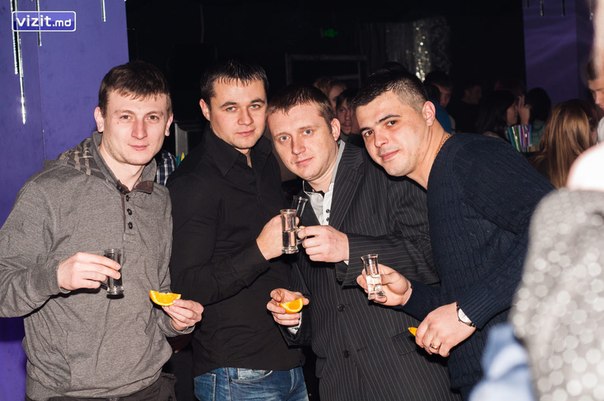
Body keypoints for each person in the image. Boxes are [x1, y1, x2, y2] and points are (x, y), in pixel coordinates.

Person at [0, 60, 204, 400]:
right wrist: (55, 277)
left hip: (151, 388)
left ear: (168, 124)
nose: (140, 132)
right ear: (100, 119)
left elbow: (155, 293)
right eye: (125, 117)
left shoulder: (159, 199)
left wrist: (174, 321)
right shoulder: (48, 191)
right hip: (67, 394)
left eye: (152, 118)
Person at [352, 71, 553, 399]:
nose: (379, 141)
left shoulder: (471, 157)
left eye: (391, 122)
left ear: (428, 113)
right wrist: (409, 295)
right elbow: (476, 287)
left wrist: (466, 313)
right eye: (368, 132)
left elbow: (555, 228)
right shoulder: (439, 182)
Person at [264, 84, 461, 401]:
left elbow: (431, 256)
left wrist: (348, 248)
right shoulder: (294, 209)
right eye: (283, 138)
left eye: (307, 132)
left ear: (334, 128)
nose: (296, 148)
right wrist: (295, 315)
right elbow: (321, 310)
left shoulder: (386, 167)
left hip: (409, 376)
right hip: (339, 383)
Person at [167, 59, 307, 401]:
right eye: (231, 108)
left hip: (289, 359)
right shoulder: (195, 181)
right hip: (235, 372)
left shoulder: (265, 160)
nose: (246, 119)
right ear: (205, 109)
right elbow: (187, 285)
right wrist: (260, 251)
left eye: (255, 106)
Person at [529, 98, 598, 188]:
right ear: (585, 133)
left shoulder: (535, 167)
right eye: (595, 128)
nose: (597, 133)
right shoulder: (591, 171)